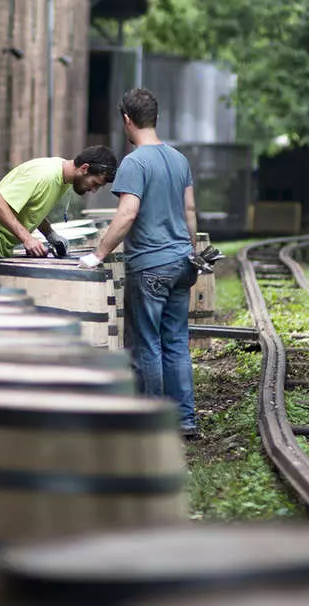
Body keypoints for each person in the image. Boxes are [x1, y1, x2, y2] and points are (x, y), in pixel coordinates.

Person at [92, 88, 200, 438]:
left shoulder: (135, 162)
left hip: (150, 267)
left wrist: (98, 254)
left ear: (127, 119)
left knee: (147, 344)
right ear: (155, 117)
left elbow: (127, 214)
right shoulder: (179, 159)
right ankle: (185, 420)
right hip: (182, 261)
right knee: (176, 342)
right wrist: (192, 251)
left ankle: (151, 421)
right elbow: (190, 212)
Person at [0, 146, 118, 280]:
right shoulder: (44, 175)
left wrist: (50, 234)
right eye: (95, 183)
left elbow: (31, 206)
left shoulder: (64, 179)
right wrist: (27, 238)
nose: (94, 190)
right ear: (85, 168)